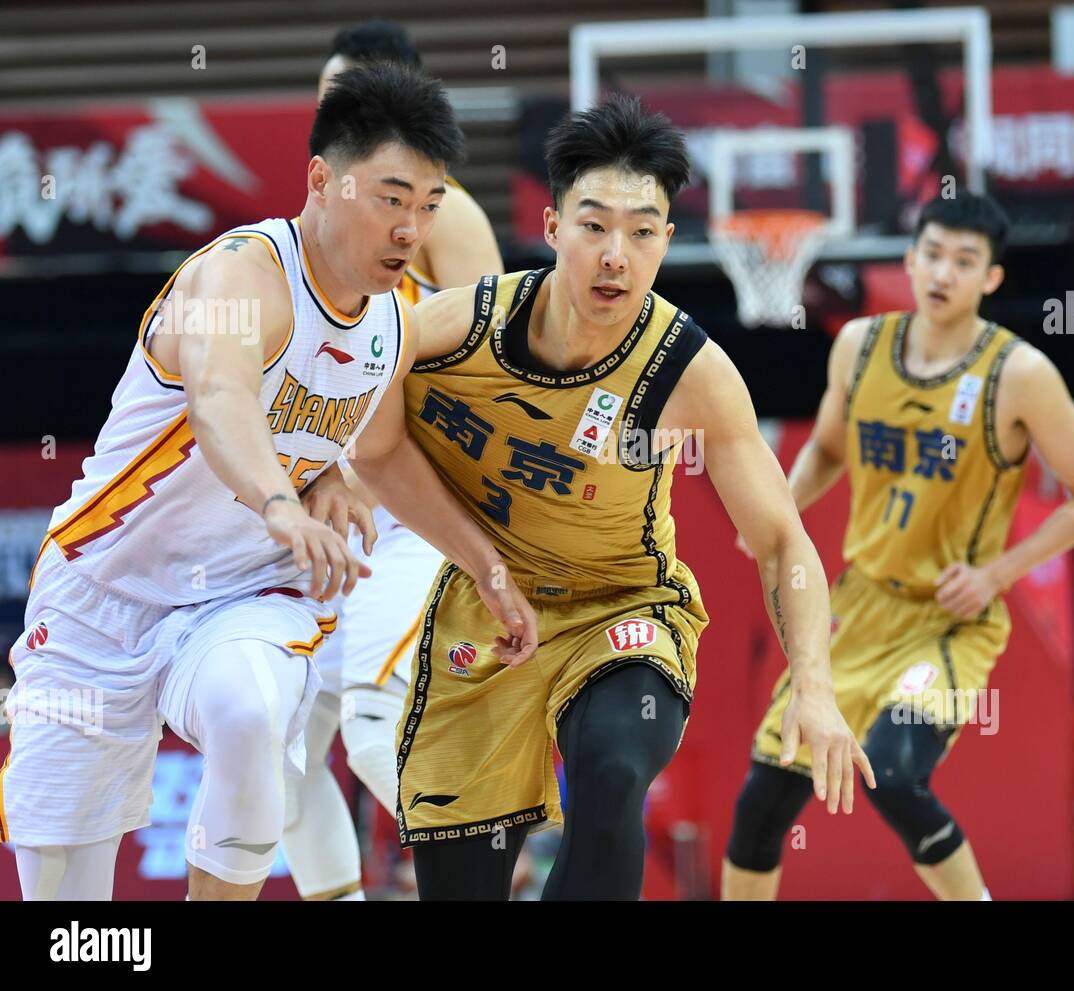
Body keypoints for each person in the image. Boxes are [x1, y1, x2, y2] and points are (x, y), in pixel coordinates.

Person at [0, 62, 535, 901]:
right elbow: (220, 398)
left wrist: (487, 566)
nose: (410, 229)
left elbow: (389, 457)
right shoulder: (240, 275)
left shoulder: (390, 323)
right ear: (323, 180)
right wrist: (283, 498)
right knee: (71, 916)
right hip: (103, 591)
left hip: (241, 590)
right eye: (391, 198)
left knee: (251, 709)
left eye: (427, 206)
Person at [356, 94, 874, 901]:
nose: (615, 255)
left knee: (611, 763)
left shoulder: (689, 372)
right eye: (594, 225)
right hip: (488, 610)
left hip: (622, 608)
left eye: (641, 232)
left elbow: (782, 541)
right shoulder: (451, 330)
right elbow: (369, 440)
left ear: (666, 242)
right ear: (555, 225)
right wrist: (474, 560)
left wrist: (814, 685)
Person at [723, 191, 1074, 901]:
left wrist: (998, 573)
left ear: (991, 278)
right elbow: (829, 450)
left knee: (894, 774)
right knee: (761, 802)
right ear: (910, 258)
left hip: (948, 623)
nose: (943, 272)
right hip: (857, 608)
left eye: (965, 262)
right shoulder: (859, 347)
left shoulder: (1019, 375)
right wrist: (773, 513)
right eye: (932, 254)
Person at [278, 17, 506, 903]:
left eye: (358, 86)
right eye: (331, 90)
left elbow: (495, 367)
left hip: (415, 512)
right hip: (326, 515)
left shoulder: (449, 217)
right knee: (285, 751)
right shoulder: (304, 225)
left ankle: (493, 866)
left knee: (375, 737)